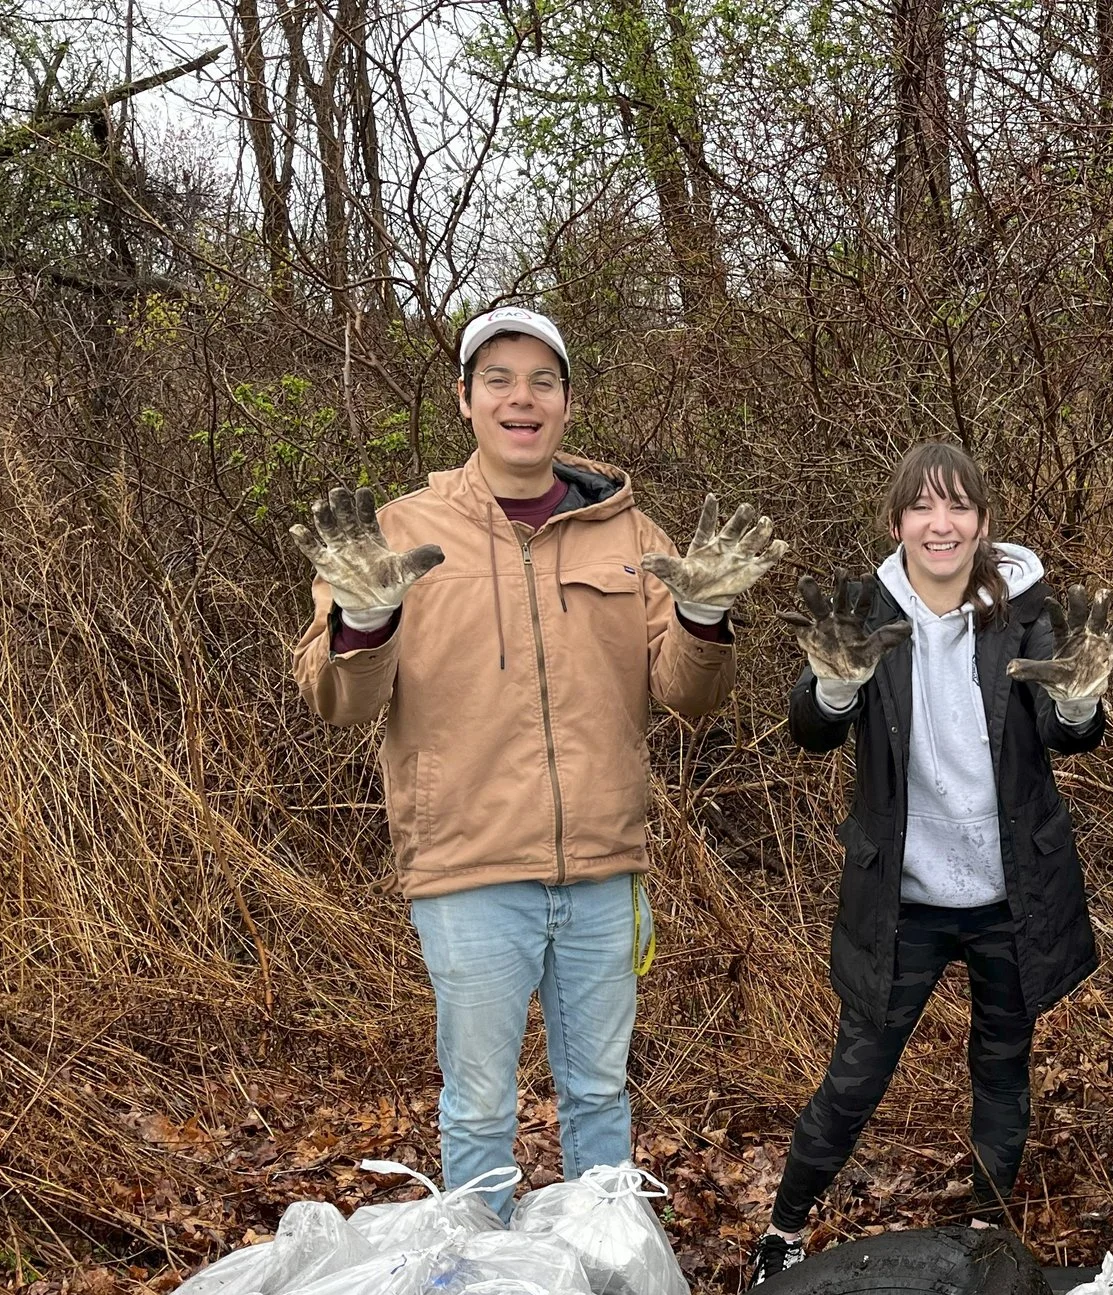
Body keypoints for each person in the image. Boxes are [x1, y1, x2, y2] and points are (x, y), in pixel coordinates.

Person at [291, 305, 786, 1208]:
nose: (523, 399)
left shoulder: (631, 535)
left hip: (603, 869)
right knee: (479, 1108)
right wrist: (362, 618)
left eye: (543, 382)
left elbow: (691, 696)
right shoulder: (397, 532)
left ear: (566, 403)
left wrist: (706, 617)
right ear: (466, 400)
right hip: (468, 868)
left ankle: (601, 1294)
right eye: (500, 381)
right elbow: (338, 701)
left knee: (600, 1098)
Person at [752, 440, 1113, 1283]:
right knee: (855, 1075)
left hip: (1010, 895)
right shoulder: (865, 612)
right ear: (897, 523)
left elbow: (1071, 735)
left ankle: (987, 1244)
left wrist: (1077, 702)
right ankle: (783, 1229)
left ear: (984, 524)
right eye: (923, 506)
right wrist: (835, 687)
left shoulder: (1026, 615)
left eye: (959, 505)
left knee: (1002, 1073)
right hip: (905, 899)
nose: (941, 522)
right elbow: (812, 729)